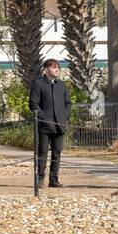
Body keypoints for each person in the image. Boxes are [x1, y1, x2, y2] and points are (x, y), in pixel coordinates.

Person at [29, 59, 72, 189]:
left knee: (57, 153)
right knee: (42, 153)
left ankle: (54, 179)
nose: (57, 70)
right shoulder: (38, 84)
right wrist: (42, 117)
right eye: (54, 68)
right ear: (47, 69)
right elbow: (33, 104)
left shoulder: (62, 85)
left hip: (60, 125)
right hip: (44, 126)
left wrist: (65, 116)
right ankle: (40, 179)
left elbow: (68, 103)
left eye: (58, 68)